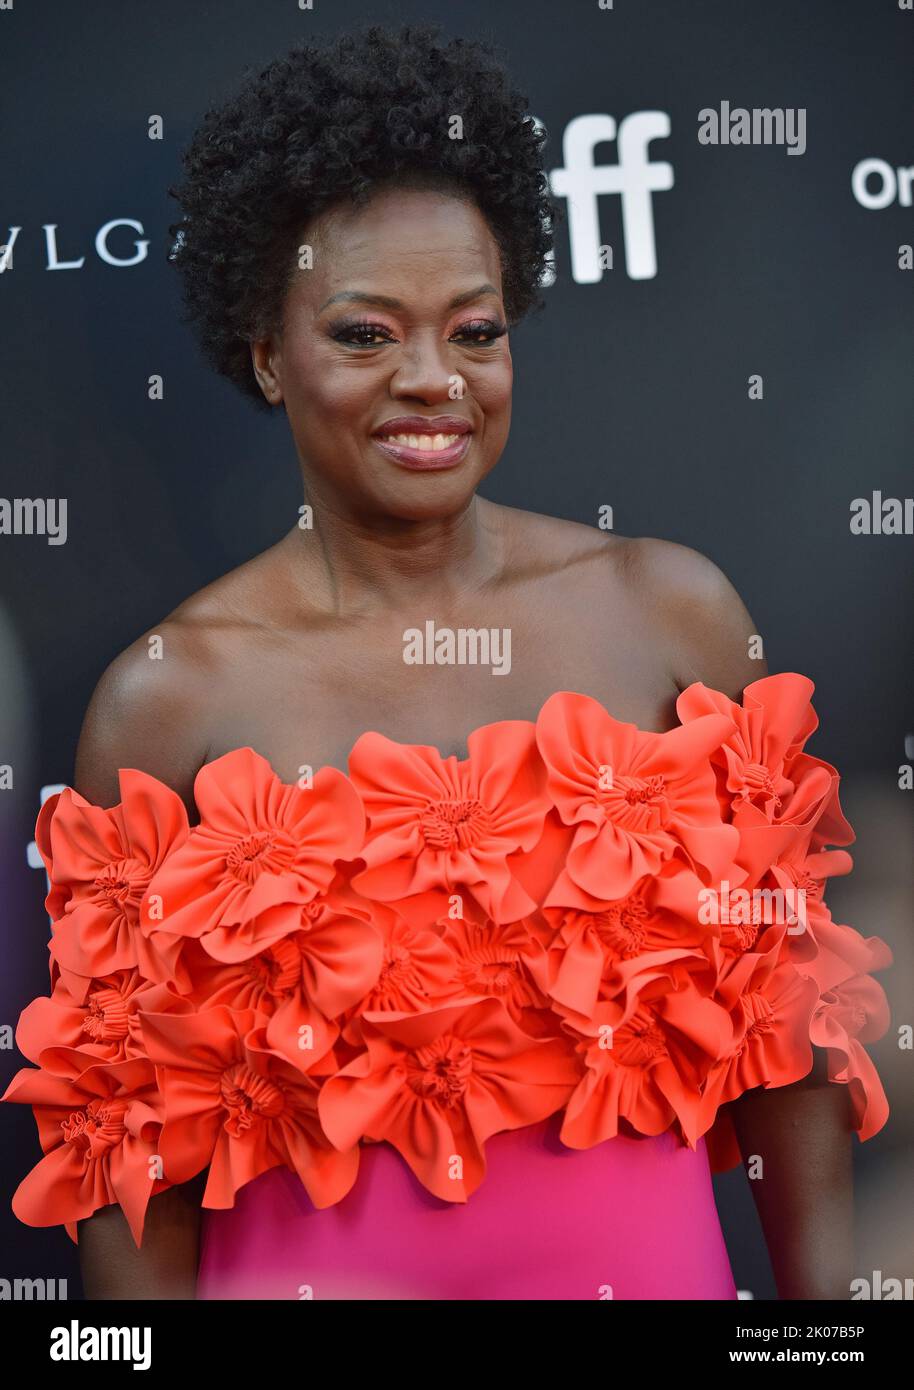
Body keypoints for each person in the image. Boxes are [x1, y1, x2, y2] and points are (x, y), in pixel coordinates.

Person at [5, 25, 891, 1300]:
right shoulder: (167, 698)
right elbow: (126, 1166)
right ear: (267, 353)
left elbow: (789, 1044)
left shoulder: (673, 616)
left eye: (472, 330)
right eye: (365, 336)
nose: (433, 382)